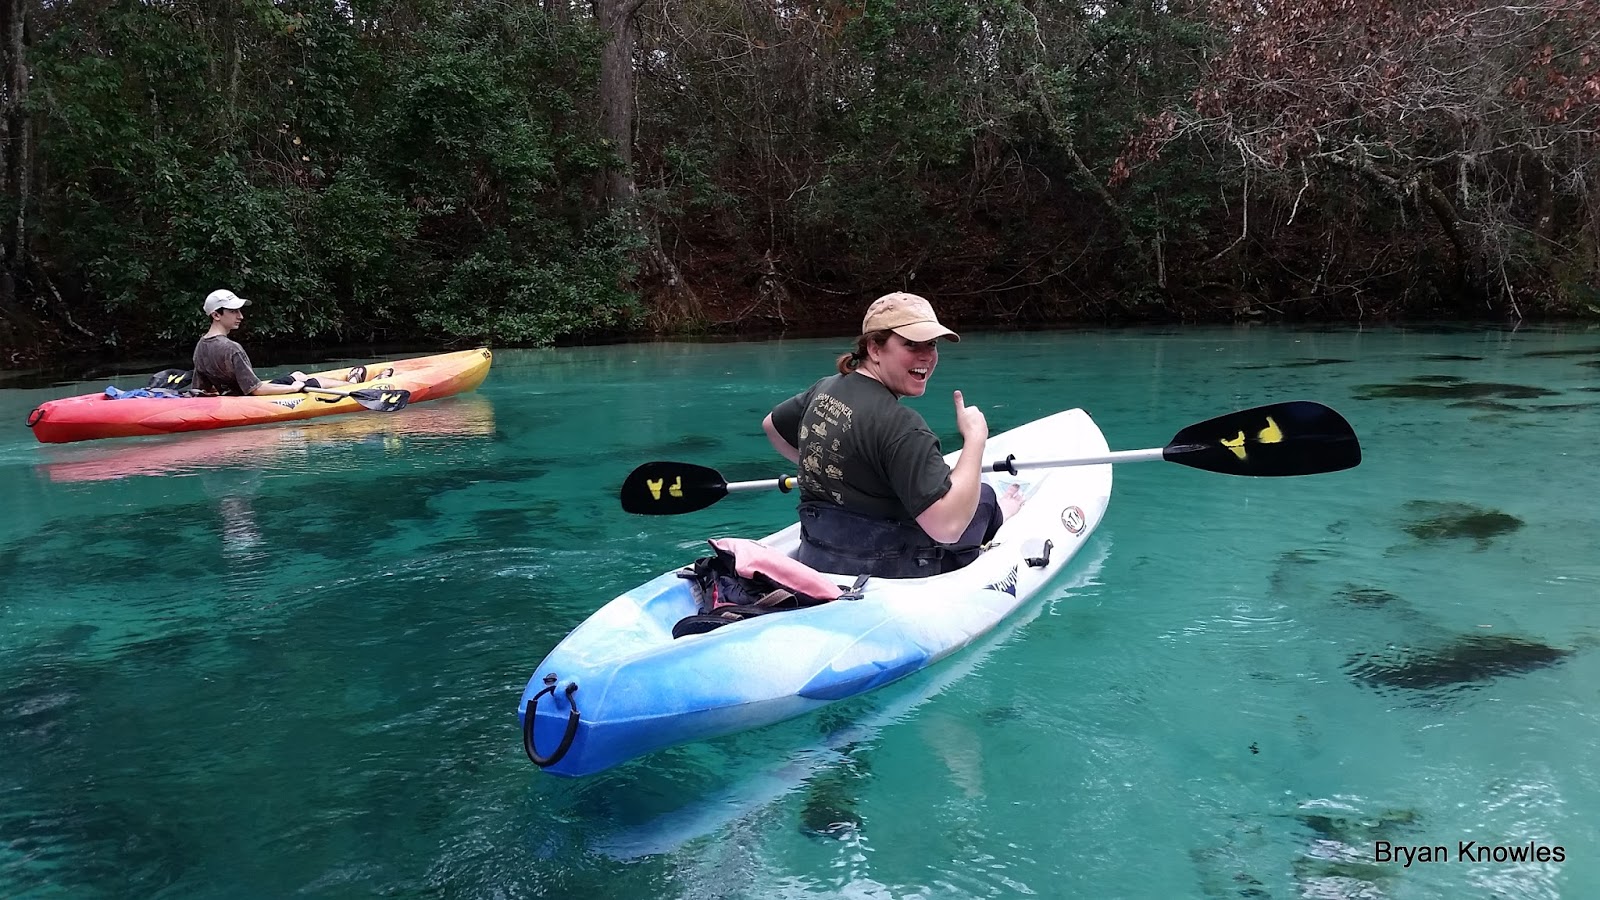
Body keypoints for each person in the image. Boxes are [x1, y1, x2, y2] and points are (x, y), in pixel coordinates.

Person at [762, 291, 1022, 578]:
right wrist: (975, 438)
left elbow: (772, 426)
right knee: (984, 498)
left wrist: (831, 468)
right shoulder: (903, 427)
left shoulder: (825, 389)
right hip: (890, 567)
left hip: (822, 551)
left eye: (931, 344)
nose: (926, 356)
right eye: (911, 344)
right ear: (874, 348)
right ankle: (1005, 515)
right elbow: (947, 528)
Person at [192, 289, 390, 396]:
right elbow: (256, 390)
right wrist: (293, 389)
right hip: (248, 399)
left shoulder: (201, 346)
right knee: (301, 381)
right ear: (216, 315)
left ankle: (351, 382)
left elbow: (202, 389)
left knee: (297, 374)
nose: (241, 316)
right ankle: (360, 386)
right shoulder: (232, 348)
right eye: (234, 311)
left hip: (235, 397)